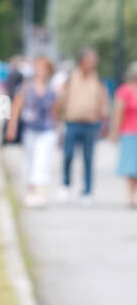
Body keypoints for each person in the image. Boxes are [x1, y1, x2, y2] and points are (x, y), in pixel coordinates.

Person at [56, 47, 109, 204]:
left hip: (91, 124)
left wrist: (104, 122)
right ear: (82, 61)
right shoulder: (71, 79)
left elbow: (103, 103)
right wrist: (58, 122)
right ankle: (65, 185)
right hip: (72, 122)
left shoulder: (98, 81)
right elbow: (61, 101)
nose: (93, 63)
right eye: (90, 60)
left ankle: (87, 191)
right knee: (68, 155)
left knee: (88, 158)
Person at [7, 55, 57, 206]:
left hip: (47, 129)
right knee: (30, 160)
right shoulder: (26, 88)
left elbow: (56, 111)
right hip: (30, 129)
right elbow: (16, 108)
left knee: (42, 160)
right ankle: (30, 191)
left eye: (44, 68)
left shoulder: (52, 90)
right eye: (39, 67)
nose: (41, 71)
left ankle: (40, 192)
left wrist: (59, 130)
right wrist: (12, 127)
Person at [110, 61, 137, 208]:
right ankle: (131, 197)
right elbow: (118, 112)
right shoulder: (124, 90)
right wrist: (115, 131)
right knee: (131, 168)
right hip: (129, 132)